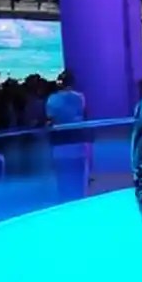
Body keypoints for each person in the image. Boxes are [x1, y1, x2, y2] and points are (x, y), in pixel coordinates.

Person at [46, 71, 89, 201]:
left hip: (60, 145)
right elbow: (84, 115)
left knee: (62, 179)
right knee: (78, 179)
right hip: (77, 144)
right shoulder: (80, 97)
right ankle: (79, 203)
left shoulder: (52, 99)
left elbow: (50, 119)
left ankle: (64, 202)